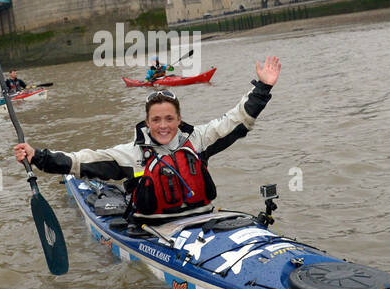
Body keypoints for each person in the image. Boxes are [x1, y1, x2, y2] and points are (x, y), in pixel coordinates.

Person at [14, 56, 281, 220]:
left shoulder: (198, 140)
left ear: (178, 119)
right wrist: (37, 156)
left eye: (169, 119)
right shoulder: (131, 154)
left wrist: (263, 87)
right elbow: (79, 162)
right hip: (155, 230)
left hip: (202, 221)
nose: (163, 126)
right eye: (156, 120)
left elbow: (237, 120)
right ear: (147, 121)